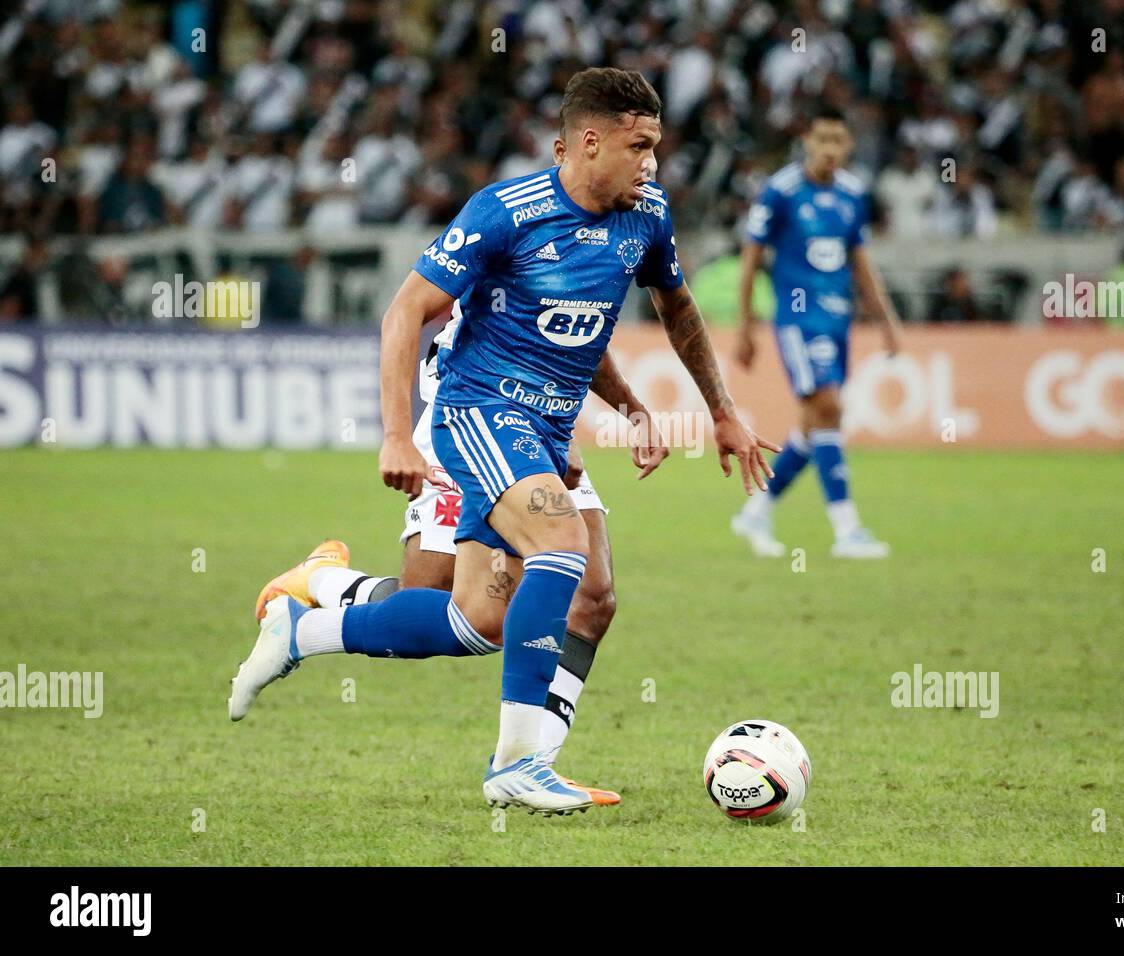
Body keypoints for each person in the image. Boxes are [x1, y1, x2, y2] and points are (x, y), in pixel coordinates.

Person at [228, 67, 777, 815]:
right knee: (561, 543)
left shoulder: (645, 215)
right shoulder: (504, 212)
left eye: (657, 146)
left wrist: (704, 409)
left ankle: (307, 626)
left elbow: (659, 310)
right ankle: (518, 766)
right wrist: (396, 435)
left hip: (550, 425)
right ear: (590, 141)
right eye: (639, 144)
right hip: (478, 409)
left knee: (511, 612)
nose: (652, 163)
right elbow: (404, 313)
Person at [732, 106, 903, 560]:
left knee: (814, 424)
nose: (829, 150)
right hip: (797, 318)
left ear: (848, 146)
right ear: (807, 143)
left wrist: (886, 322)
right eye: (821, 140)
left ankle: (757, 510)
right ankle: (847, 529)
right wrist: (745, 324)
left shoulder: (852, 194)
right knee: (830, 407)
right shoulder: (781, 191)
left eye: (837, 141)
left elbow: (861, 264)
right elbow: (751, 257)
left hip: (837, 319)